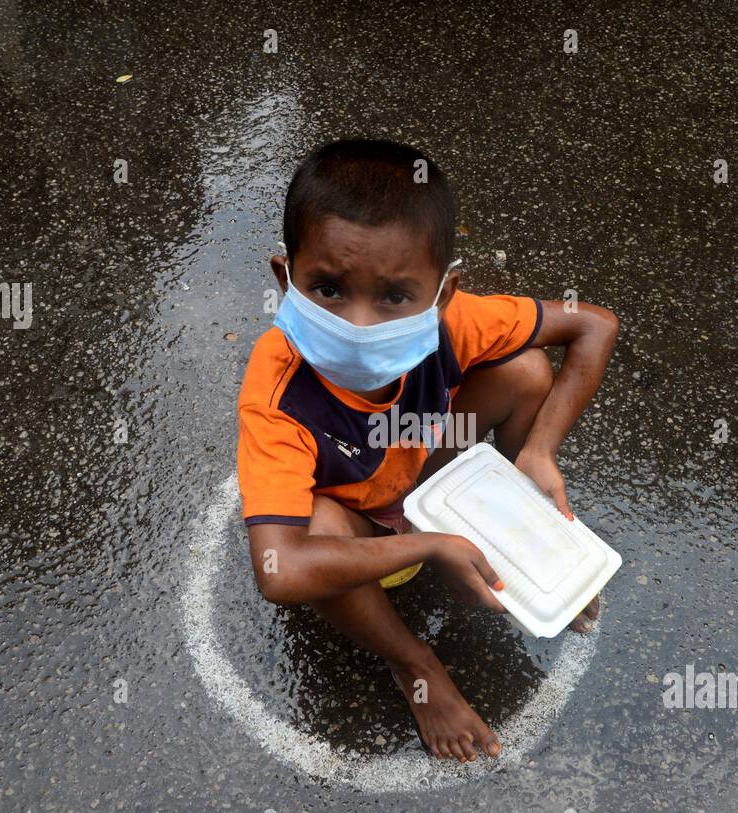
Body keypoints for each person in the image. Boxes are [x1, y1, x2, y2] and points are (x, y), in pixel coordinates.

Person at [237, 139, 618, 762]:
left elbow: (593, 325)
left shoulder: (455, 321)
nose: (360, 325)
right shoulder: (276, 386)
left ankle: (521, 535)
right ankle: (415, 667)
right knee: (316, 529)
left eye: (393, 297)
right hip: (357, 518)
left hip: (425, 463)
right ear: (286, 278)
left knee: (523, 373)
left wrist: (541, 451)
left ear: (442, 295)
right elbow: (282, 573)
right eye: (328, 289)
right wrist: (432, 546)